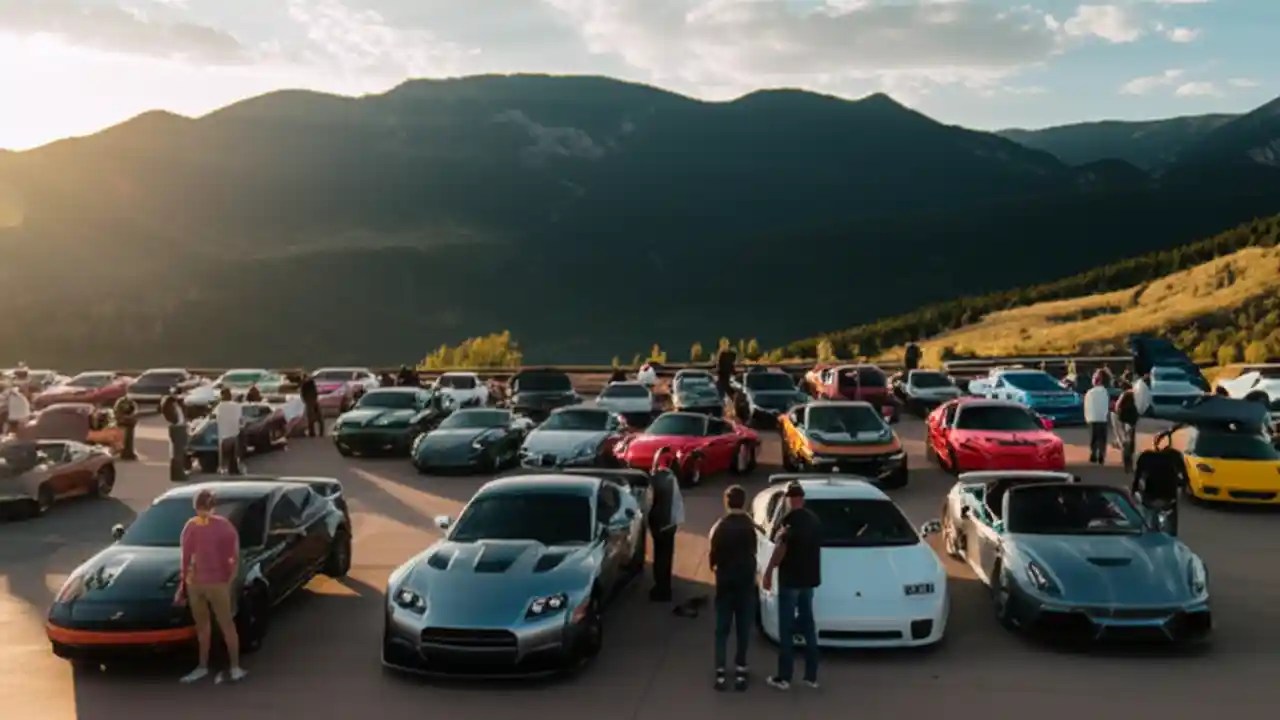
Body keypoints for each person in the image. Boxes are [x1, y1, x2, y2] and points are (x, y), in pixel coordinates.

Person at [175, 488, 247, 684]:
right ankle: (222, 666)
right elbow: (234, 557)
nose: (203, 511)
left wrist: (183, 585)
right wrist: (229, 579)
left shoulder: (196, 526)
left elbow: (186, 558)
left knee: (214, 626)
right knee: (217, 625)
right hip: (206, 582)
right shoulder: (220, 526)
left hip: (203, 582)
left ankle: (220, 666)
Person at [762, 482, 822, 691]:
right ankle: (811, 677)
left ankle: (784, 677)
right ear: (802, 498)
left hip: (791, 581)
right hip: (809, 581)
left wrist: (769, 571)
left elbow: (781, 549)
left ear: (789, 499)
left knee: (786, 629)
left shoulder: (789, 520)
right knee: (808, 627)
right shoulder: (814, 520)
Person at [708, 485, 757, 692]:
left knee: (722, 628)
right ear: (743, 501)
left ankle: (720, 671)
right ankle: (741, 668)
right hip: (745, 583)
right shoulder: (750, 526)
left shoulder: (720, 526)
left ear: (726, 502)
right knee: (743, 628)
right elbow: (754, 551)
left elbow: (713, 555)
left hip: (725, 582)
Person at [648, 447, 683, 603]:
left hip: (658, 524)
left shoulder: (654, 479)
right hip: (670, 524)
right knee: (667, 557)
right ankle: (665, 587)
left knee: (659, 557)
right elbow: (677, 503)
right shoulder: (672, 478)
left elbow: (648, 503)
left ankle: (660, 588)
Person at [1133, 432, 1182, 536]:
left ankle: (1149, 533)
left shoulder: (1146, 457)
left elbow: (1138, 476)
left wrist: (1135, 489)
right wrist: (1182, 484)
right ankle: (1171, 536)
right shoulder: (1174, 456)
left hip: (1150, 496)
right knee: (1171, 517)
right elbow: (1184, 475)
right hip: (1168, 496)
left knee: (1148, 516)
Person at [214, 387, 244, 475]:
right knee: (234, 454)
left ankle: (223, 469)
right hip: (234, 433)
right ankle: (234, 469)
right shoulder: (237, 406)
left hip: (223, 435)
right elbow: (241, 420)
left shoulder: (219, 407)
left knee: (223, 456)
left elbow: (216, 419)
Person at [1111, 383, 1140, 473]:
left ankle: (1127, 464)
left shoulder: (1124, 395)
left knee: (1125, 442)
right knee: (1130, 442)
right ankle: (1130, 463)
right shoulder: (1135, 395)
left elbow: (1117, 407)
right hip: (1131, 421)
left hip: (1123, 418)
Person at [161, 395, 189, 482]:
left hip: (179, 428)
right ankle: (178, 474)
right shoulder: (172, 408)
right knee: (177, 453)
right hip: (177, 429)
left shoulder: (176, 407)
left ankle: (178, 473)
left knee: (177, 453)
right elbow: (177, 418)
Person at [1084, 375, 1111, 465]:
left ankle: (1093, 453)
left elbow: (1086, 406)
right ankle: (1101, 455)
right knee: (1102, 439)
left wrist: (1087, 417)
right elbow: (1107, 405)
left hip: (1092, 418)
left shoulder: (1090, 392)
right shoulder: (1105, 392)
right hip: (1102, 418)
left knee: (1093, 438)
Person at [113, 395, 140, 460]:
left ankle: (127, 453)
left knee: (128, 438)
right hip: (125, 422)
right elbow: (117, 411)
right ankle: (125, 453)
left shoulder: (126, 402)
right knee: (125, 437)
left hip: (127, 422)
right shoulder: (122, 402)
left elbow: (135, 411)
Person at [299, 373, 323, 437]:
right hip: (311, 401)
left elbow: (303, 394)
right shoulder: (307, 384)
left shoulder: (306, 384)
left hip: (310, 401)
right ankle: (314, 432)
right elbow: (304, 394)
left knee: (313, 418)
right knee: (315, 418)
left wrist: (306, 400)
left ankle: (314, 432)